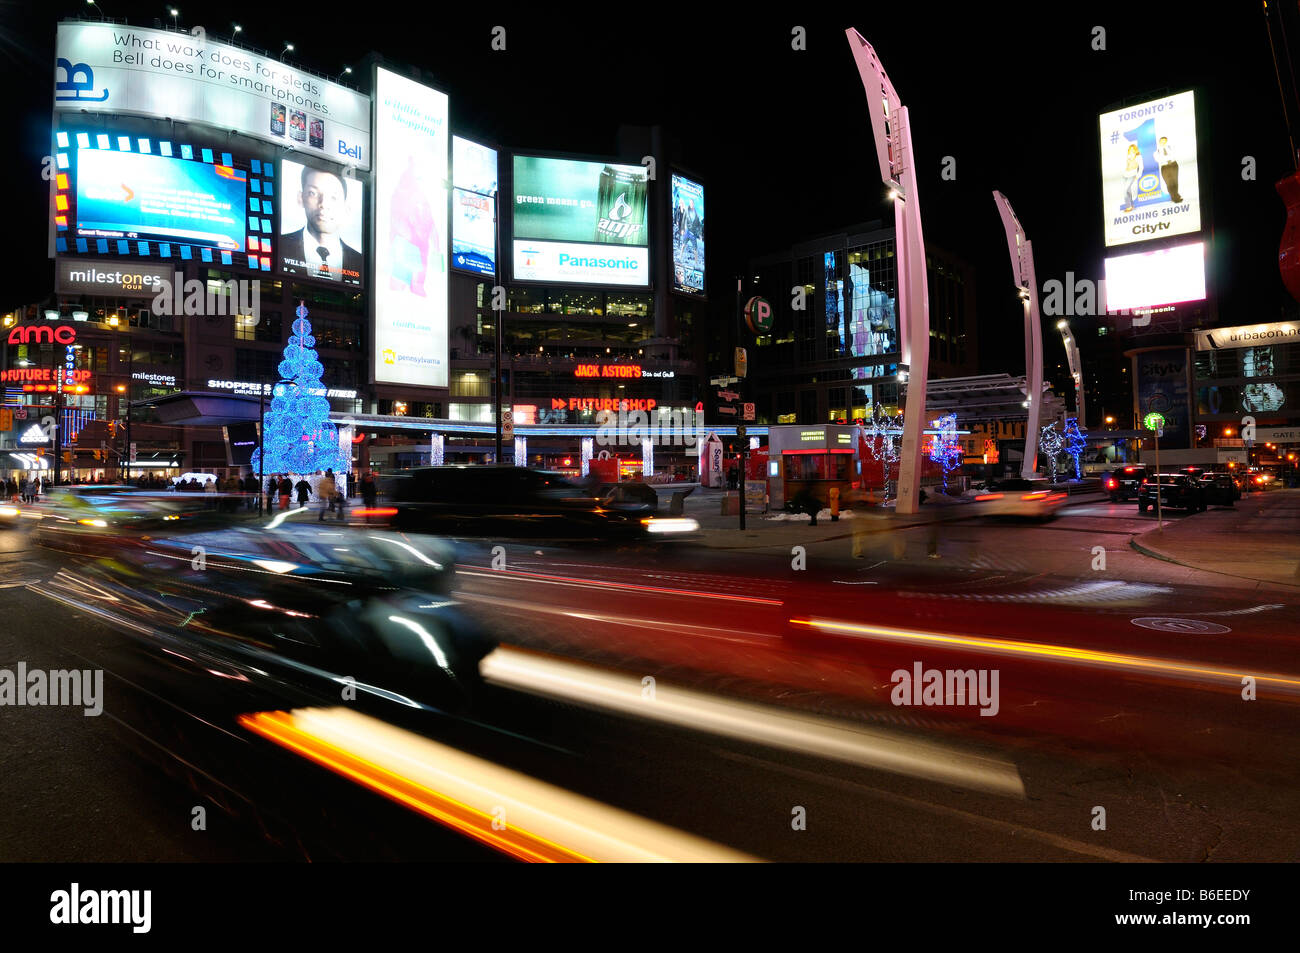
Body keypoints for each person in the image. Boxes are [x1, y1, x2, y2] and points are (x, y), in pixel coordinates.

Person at [282, 166, 362, 283]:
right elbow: (252, 289)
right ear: (300, 198)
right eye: (313, 193)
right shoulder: (278, 245)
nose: (323, 204)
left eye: (333, 197)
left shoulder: (360, 262)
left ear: (346, 209)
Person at [1153, 136, 1182, 204]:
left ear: (1166, 142)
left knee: (1175, 182)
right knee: (1169, 183)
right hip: (1165, 167)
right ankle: (1174, 197)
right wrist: (1167, 157)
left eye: (1164, 141)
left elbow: (1173, 155)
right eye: (1162, 141)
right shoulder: (1157, 152)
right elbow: (1159, 160)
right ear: (1159, 142)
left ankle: (1176, 197)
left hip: (1173, 165)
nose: (1163, 142)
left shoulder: (1171, 148)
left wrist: (1165, 157)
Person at [1122, 143, 1142, 213]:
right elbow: (1126, 166)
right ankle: (1131, 205)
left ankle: (1128, 207)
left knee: (1125, 191)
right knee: (1128, 191)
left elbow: (1141, 167)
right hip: (1125, 175)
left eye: (1133, 149)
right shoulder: (1128, 156)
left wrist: (1138, 176)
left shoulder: (1138, 157)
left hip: (1132, 175)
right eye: (1130, 149)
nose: (1131, 150)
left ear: (1135, 149)